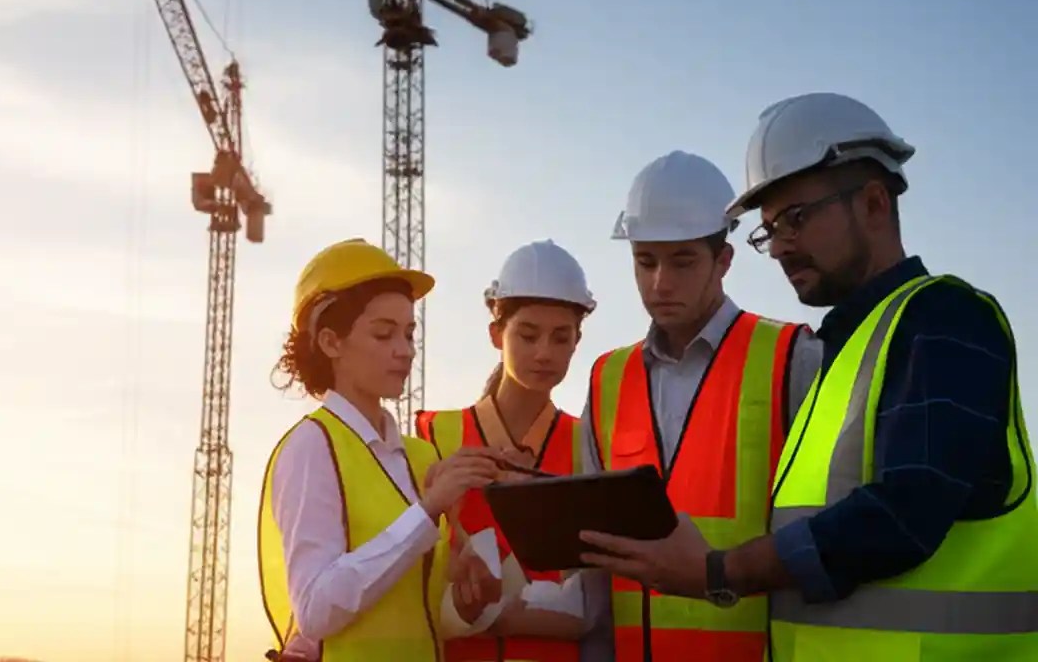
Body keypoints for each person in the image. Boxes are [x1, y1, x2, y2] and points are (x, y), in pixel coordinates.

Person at [577, 92, 1038, 660]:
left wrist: (718, 571)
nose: (779, 247)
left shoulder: (945, 319)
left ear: (874, 203)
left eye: (796, 218)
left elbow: (903, 514)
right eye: (769, 229)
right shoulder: (842, 357)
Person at [578, 150, 823, 661]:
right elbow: (594, 564)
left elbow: (823, 538)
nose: (660, 283)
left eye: (682, 261)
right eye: (645, 261)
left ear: (724, 260)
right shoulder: (607, 379)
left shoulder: (793, 359)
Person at [258, 238, 506, 661]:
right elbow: (315, 609)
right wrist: (426, 512)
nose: (405, 350)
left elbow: (416, 610)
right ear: (331, 343)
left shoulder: (421, 457)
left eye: (409, 333)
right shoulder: (312, 447)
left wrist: (468, 595)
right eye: (383, 333)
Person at [415, 239, 599, 662]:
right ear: (496, 334)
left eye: (561, 338)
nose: (544, 353)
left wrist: (492, 614)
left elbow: (596, 601)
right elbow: (408, 578)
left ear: (577, 341)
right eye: (528, 335)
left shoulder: (588, 444)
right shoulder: (433, 437)